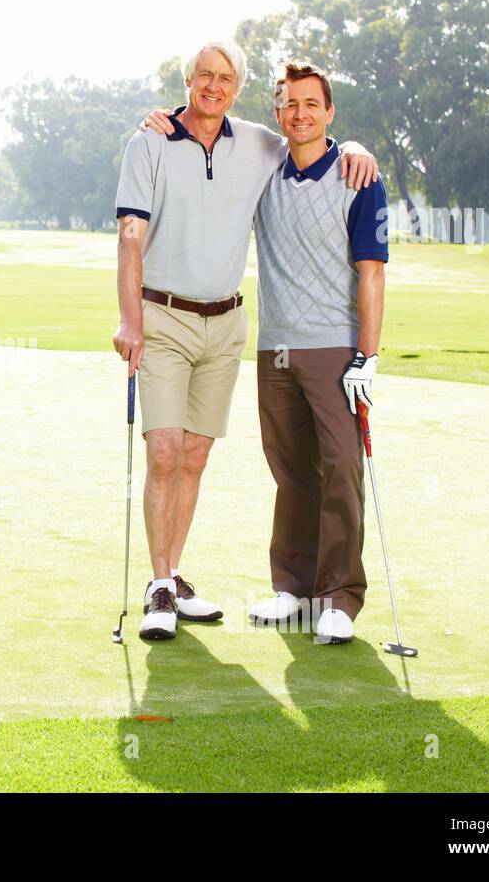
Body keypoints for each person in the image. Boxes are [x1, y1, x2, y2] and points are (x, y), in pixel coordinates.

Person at [113, 41, 377, 641]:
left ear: (237, 88)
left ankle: (177, 575)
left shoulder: (258, 144)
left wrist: (356, 148)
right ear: (186, 82)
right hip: (164, 317)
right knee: (164, 452)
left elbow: (312, 141)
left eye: (226, 77)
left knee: (198, 454)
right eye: (203, 75)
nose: (214, 85)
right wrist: (129, 320)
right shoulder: (150, 141)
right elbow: (131, 234)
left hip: (227, 323)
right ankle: (159, 586)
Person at [245, 61, 389, 644]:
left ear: (329, 112)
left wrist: (368, 357)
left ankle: (338, 596)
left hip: (334, 346)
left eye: (312, 103)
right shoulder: (262, 170)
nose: (300, 113)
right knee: (290, 471)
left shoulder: (359, 177)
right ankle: (294, 588)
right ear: (277, 113)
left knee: (340, 471)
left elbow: (371, 274)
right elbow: (207, 134)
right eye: (289, 104)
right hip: (273, 346)